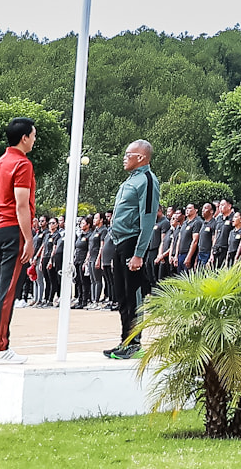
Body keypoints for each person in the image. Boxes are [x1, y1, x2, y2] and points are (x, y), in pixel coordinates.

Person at [0, 116, 37, 362]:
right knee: (8, 290)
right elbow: (22, 205)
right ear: (24, 138)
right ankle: (1, 347)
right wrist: (29, 239)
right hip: (13, 229)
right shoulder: (22, 164)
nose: (34, 140)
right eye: (33, 136)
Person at [105, 139, 160, 360]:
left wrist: (139, 254)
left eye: (129, 154)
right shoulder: (131, 180)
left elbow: (147, 219)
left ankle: (135, 343)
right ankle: (124, 340)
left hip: (132, 242)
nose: (124, 157)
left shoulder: (147, 180)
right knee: (122, 295)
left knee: (134, 295)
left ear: (141, 158)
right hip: (119, 242)